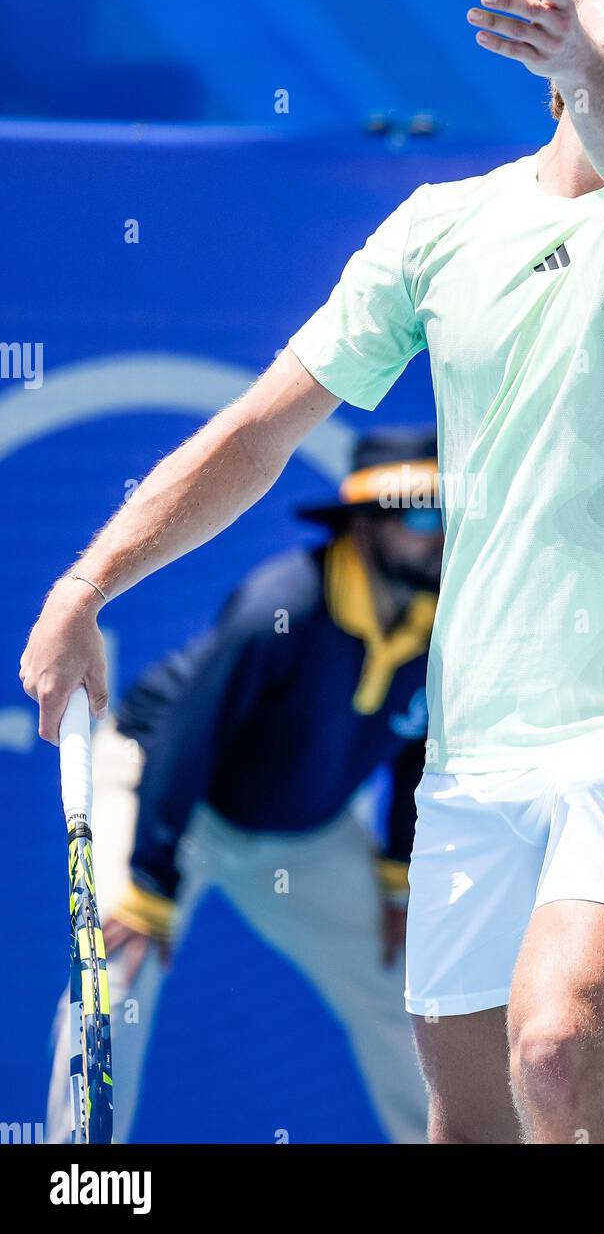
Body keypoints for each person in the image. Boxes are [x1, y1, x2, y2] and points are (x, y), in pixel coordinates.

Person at [22, 0, 604, 1144]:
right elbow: (260, 431)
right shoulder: (439, 228)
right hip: (475, 747)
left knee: (554, 1049)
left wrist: (576, 66)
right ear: (570, 0)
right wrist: (86, 584)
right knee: (464, 1122)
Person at [44, 428, 442, 1144]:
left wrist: (396, 876)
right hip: (161, 794)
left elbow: (420, 751)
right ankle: (79, 1179)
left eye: (451, 516)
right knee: (109, 986)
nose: (440, 536)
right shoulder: (277, 609)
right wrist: (150, 881)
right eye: (420, 515)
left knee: (411, 986)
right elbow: (188, 738)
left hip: (303, 836)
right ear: (363, 522)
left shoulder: (448, 627)